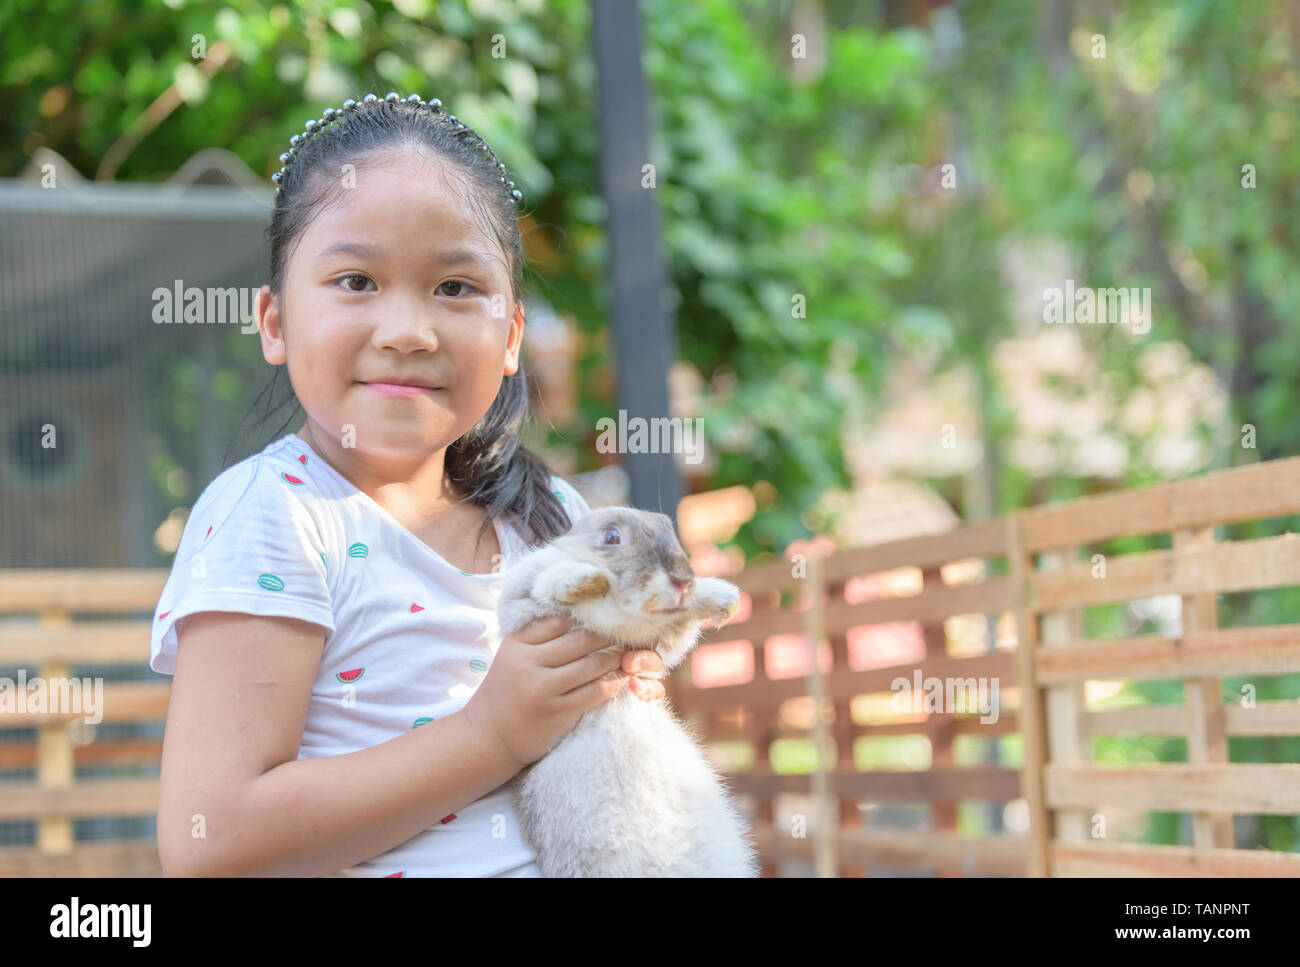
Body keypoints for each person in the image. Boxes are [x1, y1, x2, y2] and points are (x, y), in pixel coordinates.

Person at [150, 92, 666, 877]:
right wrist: (490, 734)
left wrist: (618, 696)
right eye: (356, 281)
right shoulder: (277, 515)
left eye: (455, 288)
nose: (408, 331)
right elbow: (210, 838)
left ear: (512, 337)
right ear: (275, 322)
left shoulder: (553, 518)